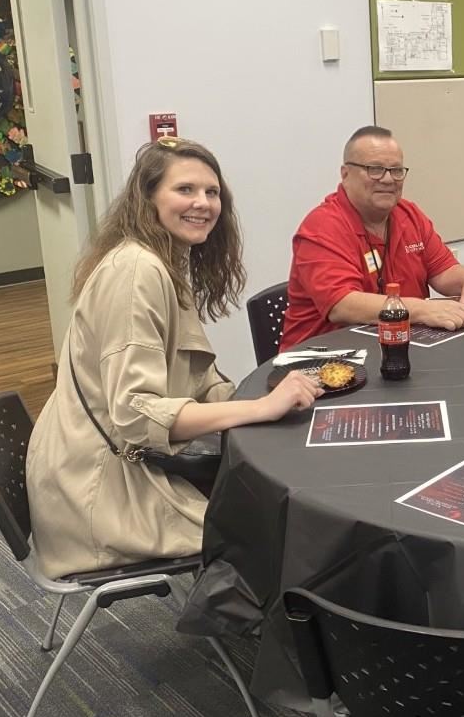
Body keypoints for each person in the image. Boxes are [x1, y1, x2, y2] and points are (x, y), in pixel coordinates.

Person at [26, 137, 320, 579]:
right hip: (99, 491)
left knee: (273, 491)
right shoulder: (136, 271)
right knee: (290, 528)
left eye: (212, 192)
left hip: (109, 466)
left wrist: (268, 397)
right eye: (185, 190)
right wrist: (259, 408)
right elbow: (134, 415)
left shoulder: (162, 260)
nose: (202, 203)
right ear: (147, 199)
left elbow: (194, 378)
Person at [281, 125, 464, 348]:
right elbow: (342, 305)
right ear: (345, 174)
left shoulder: (409, 215)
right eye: (375, 169)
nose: (388, 180)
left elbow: (443, 271)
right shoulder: (323, 226)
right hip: (322, 363)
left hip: (398, 350)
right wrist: (422, 310)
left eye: (396, 170)